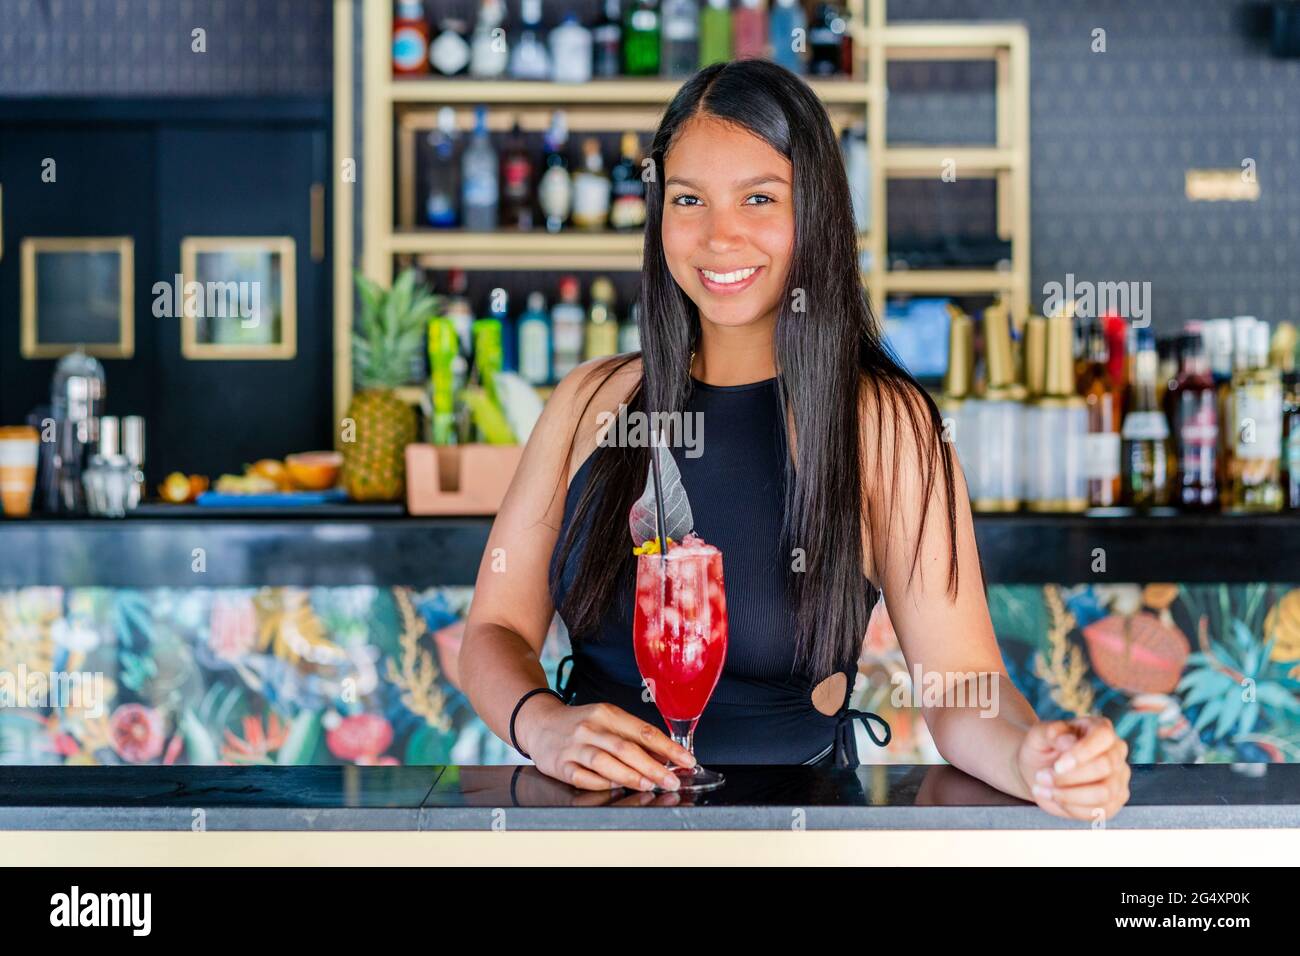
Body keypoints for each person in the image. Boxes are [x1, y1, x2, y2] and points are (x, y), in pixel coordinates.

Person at [459, 58, 1130, 821]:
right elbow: (495, 629)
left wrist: (1030, 756)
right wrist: (542, 724)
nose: (721, 235)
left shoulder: (883, 425)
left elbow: (958, 682)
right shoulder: (590, 403)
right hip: (592, 836)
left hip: (790, 836)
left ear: (816, 211)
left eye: (759, 198)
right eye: (689, 199)